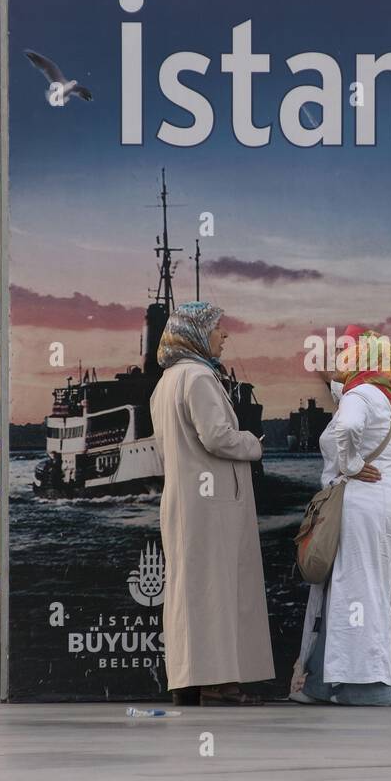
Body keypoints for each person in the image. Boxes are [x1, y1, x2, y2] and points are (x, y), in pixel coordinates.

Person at [150, 302, 274, 706]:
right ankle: (219, 682)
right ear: (198, 334)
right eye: (218, 328)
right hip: (211, 505)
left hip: (183, 500)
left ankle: (189, 677)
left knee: (189, 590)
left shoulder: (165, 382)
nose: (224, 335)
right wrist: (255, 444)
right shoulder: (200, 377)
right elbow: (217, 437)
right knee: (217, 589)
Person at [291, 325, 391, 706]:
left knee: (355, 590)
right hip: (386, 505)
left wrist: (351, 463)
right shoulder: (384, 394)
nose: (341, 363)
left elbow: (346, 425)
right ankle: (321, 682)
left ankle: (367, 686)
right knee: (355, 591)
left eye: (347, 356)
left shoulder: (360, 395)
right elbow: (345, 396)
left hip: (362, 506)